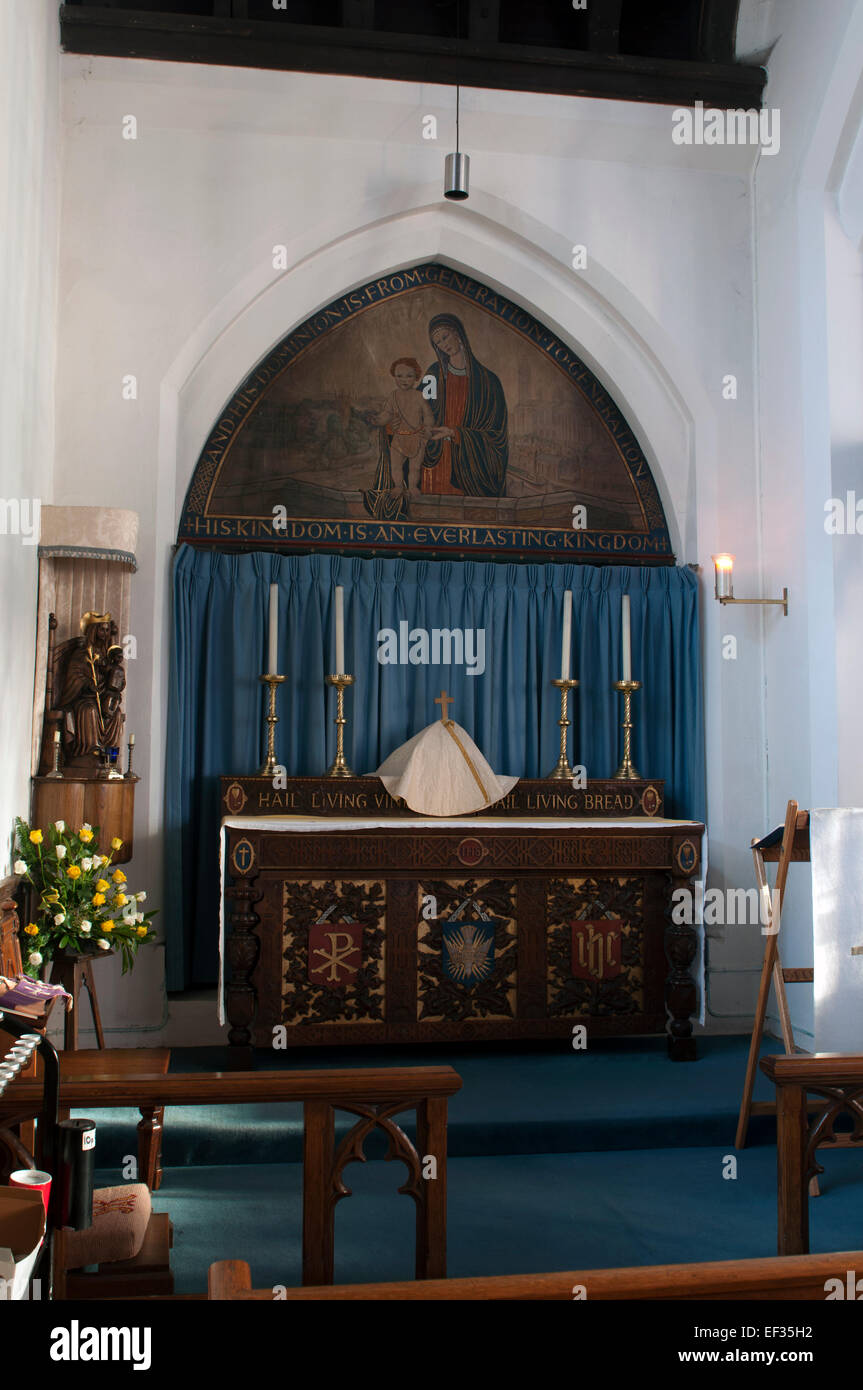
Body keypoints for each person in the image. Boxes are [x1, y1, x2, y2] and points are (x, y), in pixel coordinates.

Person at [421, 314, 508, 496]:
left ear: (457, 333)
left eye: (445, 337)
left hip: (468, 466)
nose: (443, 345)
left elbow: (497, 436)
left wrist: (455, 433)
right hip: (436, 461)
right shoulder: (434, 374)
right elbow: (416, 408)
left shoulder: (489, 382)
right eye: (438, 342)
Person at [365, 357, 435, 489]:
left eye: (409, 376)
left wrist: (428, 427)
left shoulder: (419, 396)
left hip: (416, 437)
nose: (404, 380)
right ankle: (398, 487)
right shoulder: (393, 396)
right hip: (398, 438)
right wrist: (378, 420)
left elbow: (428, 415)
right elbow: (387, 413)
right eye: (399, 376)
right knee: (396, 467)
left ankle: (413, 487)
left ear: (416, 377)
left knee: (414, 468)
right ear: (394, 377)